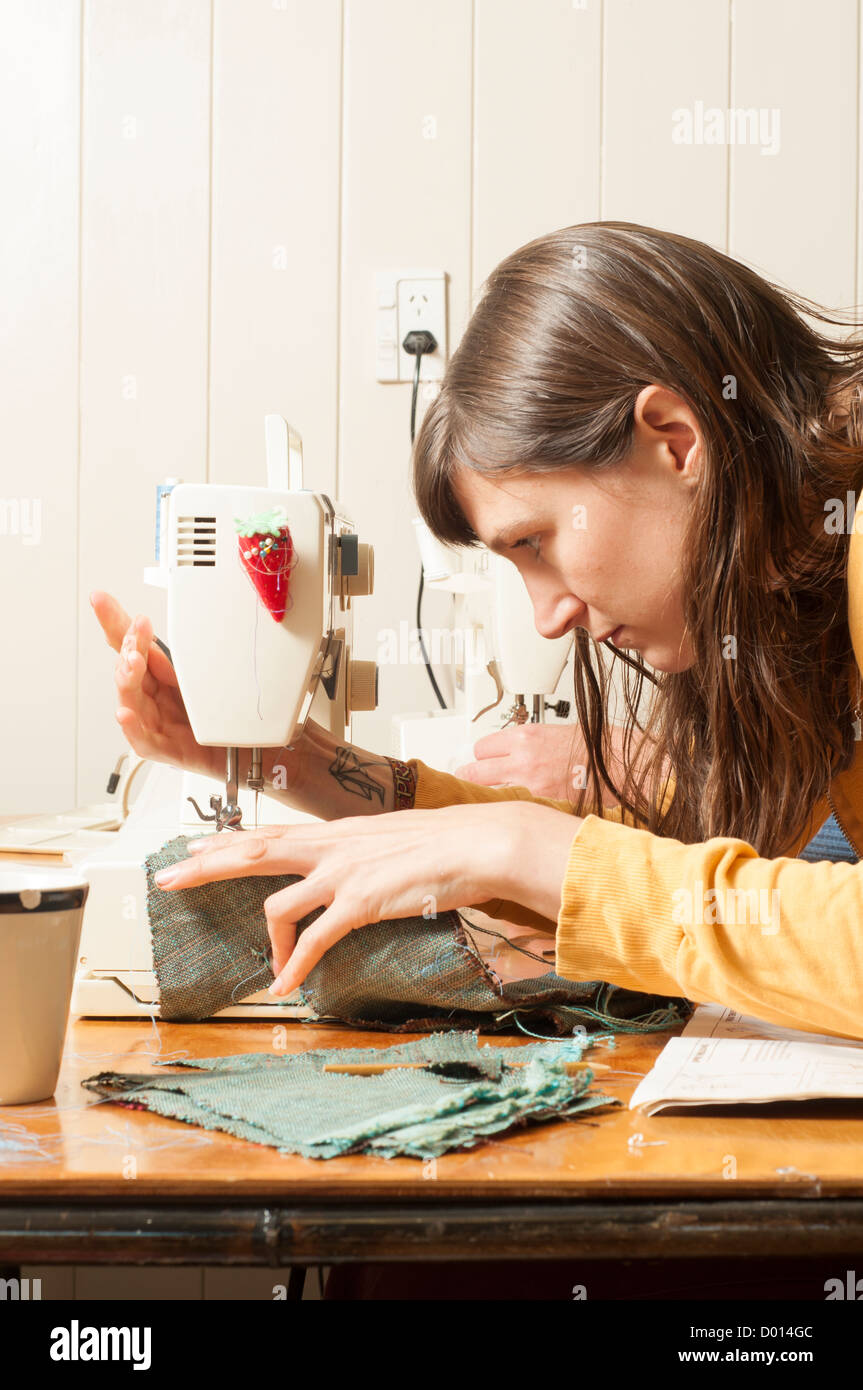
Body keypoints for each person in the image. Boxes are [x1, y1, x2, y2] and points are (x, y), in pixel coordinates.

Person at [93, 220, 863, 1042]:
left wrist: (526, 843)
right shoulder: (803, 619)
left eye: (535, 543)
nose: (547, 615)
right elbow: (703, 884)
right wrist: (299, 763)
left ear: (674, 443)